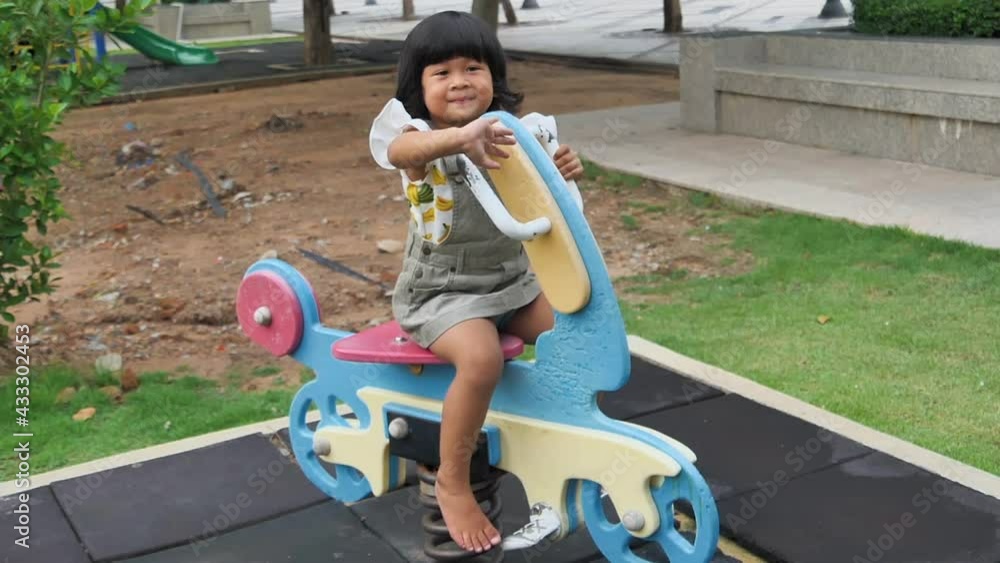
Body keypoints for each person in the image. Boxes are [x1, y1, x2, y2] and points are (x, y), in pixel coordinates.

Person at [368, 10, 584, 555]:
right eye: (441, 73)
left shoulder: (511, 135)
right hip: (442, 296)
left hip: (510, 284)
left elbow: (545, 199)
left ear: (494, 76)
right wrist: (460, 138)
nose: (460, 80)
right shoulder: (419, 141)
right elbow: (399, 153)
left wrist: (560, 168)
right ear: (418, 89)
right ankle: (453, 478)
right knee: (482, 359)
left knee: (576, 325)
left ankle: (558, 437)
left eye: (473, 68)